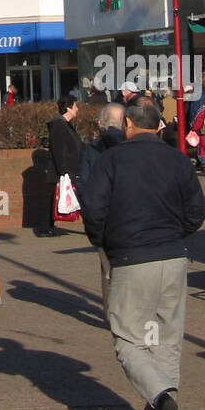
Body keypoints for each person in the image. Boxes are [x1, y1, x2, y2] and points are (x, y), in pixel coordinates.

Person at [79, 97, 205, 410]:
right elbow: (197, 210)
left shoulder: (112, 159)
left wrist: (104, 240)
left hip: (131, 258)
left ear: (129, 126)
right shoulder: (179, 160)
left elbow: (92, 206)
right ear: (159, 126)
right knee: (168, 338)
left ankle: (161, 395)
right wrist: (177, 233)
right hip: (173, 257)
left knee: (129, 339)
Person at [76, 103, 126, 316]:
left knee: (108, 270)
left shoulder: (91, 151)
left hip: (103, 218)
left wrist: (90, 217)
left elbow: (84, 186)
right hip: (130, 215)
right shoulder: (131, 148)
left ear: (99, 124)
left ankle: (111, 312)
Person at [43, 94, 82, 237]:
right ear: (69, 108)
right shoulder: (59, 125)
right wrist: (63, 171)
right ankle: (46, 227)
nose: (77, 109)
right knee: (52, 198)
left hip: (67, 168)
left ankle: (48, 226)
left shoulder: (66, 125)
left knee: (54, 197)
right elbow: (59, 149)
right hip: (61, 169)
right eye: (75, 106)